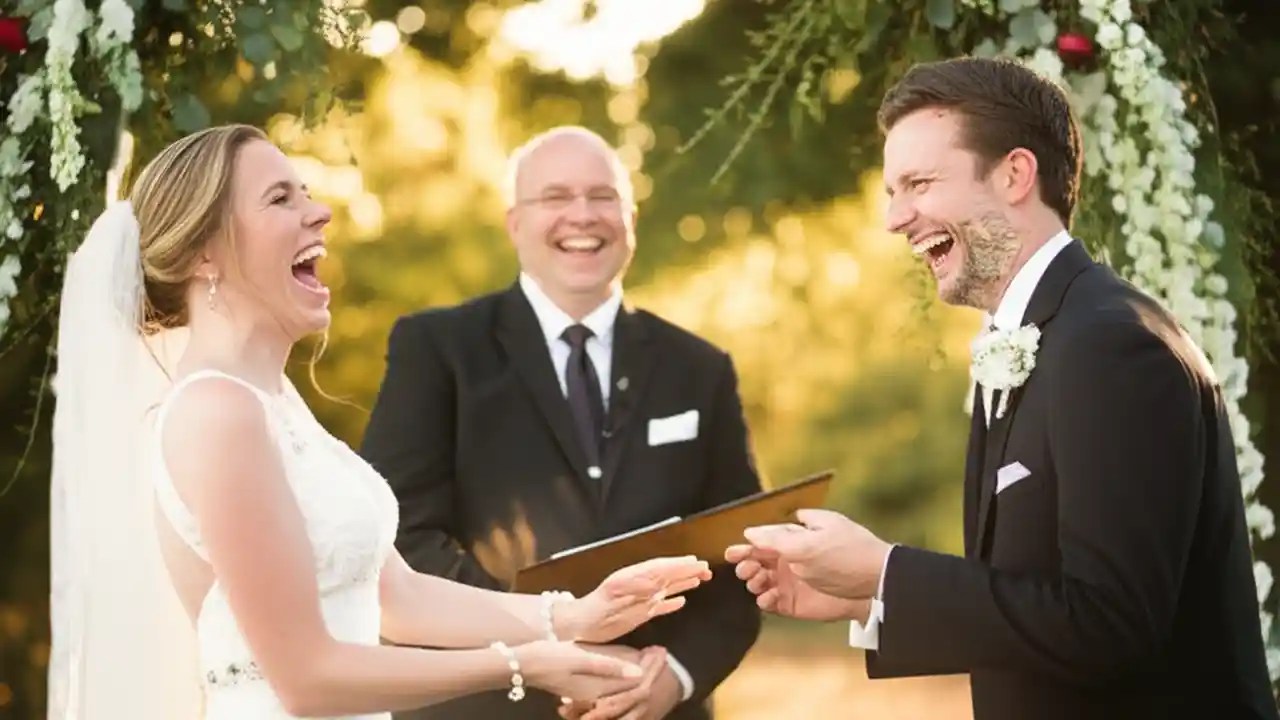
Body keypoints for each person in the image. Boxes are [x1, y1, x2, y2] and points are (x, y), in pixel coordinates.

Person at [46, 123, 716, 720]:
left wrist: (573, 614)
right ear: (204, 254)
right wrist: (525, 665)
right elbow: (307, 679)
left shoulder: (271, 399)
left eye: (306, 192)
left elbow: (398, 594)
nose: (321, 212)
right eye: (281, 199)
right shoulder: (216, 412)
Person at [726, 57, 1279, 719]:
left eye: (919, 183)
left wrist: (887, 571)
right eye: (892, 191)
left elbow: (1111, 625)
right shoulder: (1039, 337)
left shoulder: (1110, 345)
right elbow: (1040, 603)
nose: (895, 218)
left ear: (1016, 174)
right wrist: (866, 597)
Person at [360, 126, 762, 720]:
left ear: (630, 217)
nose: (582, 215)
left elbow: (735, 555)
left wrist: (673, 676)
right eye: (555, 197)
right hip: (484, 706)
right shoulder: (437, 348)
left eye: (602, 196)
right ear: (514, 222)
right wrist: (549, 640)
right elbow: (403, 539)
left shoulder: (699, 369)